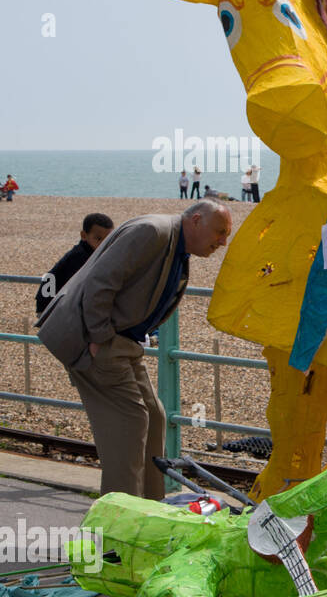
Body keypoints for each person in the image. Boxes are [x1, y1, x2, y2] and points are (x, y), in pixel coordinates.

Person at [36, 200, 233, 501]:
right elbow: (101, 281)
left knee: (154, 416)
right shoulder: (152, 232)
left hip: (124, 344)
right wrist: (99, 338)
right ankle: (119, 530)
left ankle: (151, 510)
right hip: (99, 342)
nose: (222, 241)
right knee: (130, 422)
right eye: (220, 232)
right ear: (196, 220)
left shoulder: (175, 244)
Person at [35, 213, 116, 317]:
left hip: (55, 302)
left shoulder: (91, 252)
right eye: (98, 239)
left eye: (108, 239)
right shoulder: (79, 256)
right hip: (49, 305)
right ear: (84, 236)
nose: (103, 244)